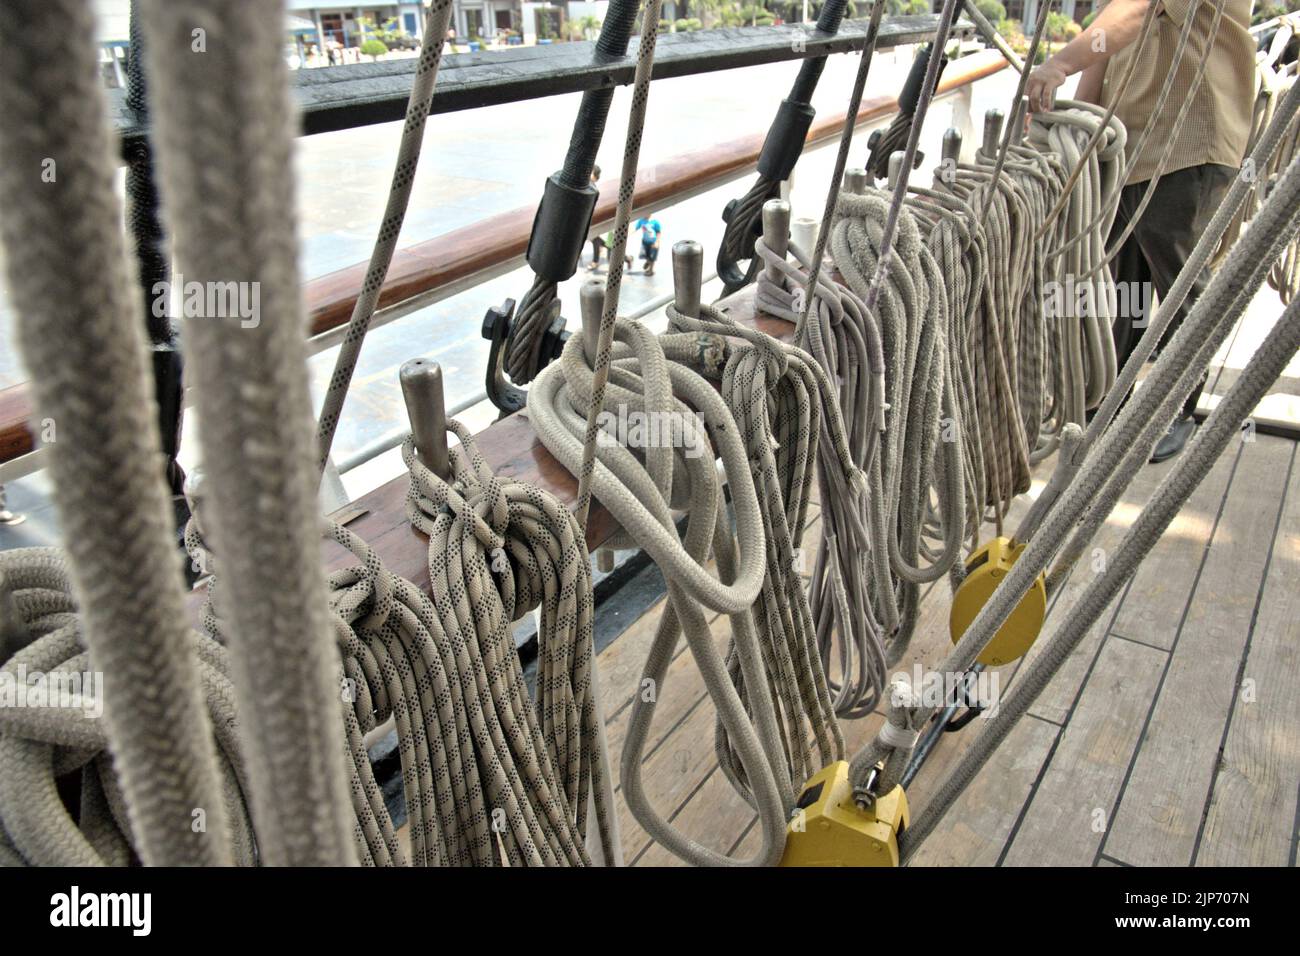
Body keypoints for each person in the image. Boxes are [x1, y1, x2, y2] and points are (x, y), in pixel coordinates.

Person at [1025, 0, 1255, 461]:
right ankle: (1108, 403)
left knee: (1178, 285)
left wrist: (1060, 64)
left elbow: (1134, 10)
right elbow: (1109, 38)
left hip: (1188, 140)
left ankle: (1178, 409)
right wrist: (1079, 124)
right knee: (1123, 282)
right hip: (1134, 147)